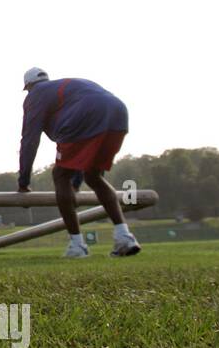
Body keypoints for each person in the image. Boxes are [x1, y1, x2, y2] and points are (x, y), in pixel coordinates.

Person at [17, 67, 142, 257]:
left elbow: (29, 139)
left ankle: (77, 245)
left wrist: (23, 183)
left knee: (60, 175)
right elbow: (82, 155)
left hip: (84, 115)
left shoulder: (36, 95)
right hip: (118, 112)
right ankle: (124, 236)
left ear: (28, 87)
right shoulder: (66, 87)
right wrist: (76, 184)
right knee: (93, 175)